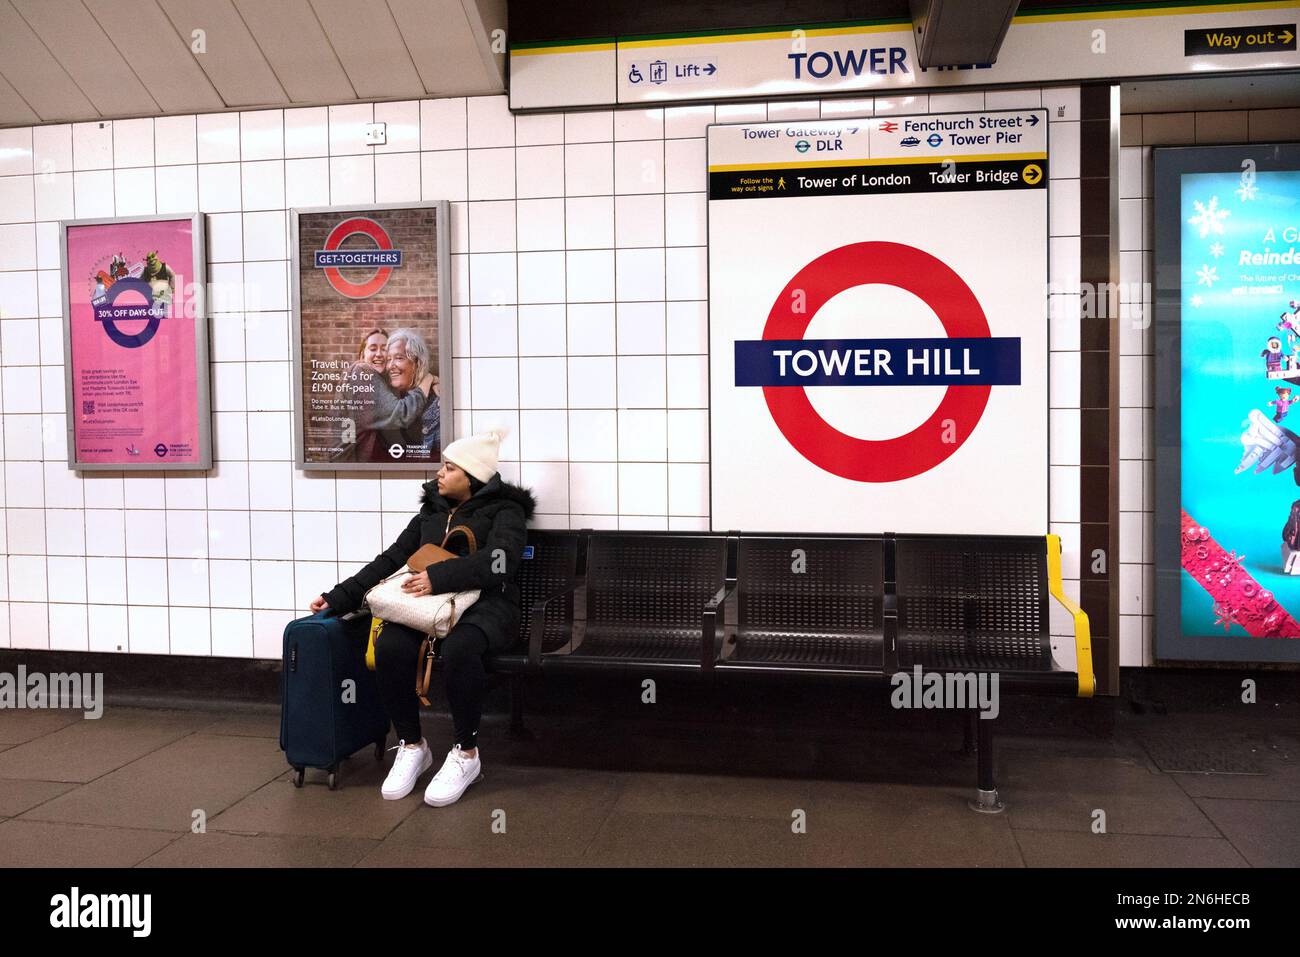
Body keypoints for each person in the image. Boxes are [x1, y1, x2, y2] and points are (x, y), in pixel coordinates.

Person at [309, 429, 536, 806]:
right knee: (391, 645)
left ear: (472, 477)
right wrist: (338, 597)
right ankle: (412, 745)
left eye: (449, 467)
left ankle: (466, 753)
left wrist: (439, 576)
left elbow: (502, 561)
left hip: (489, 605)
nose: (439, 474)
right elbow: (391, 558)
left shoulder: (505, 511)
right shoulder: (431, 510)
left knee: (461, 648)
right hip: (427, 605)